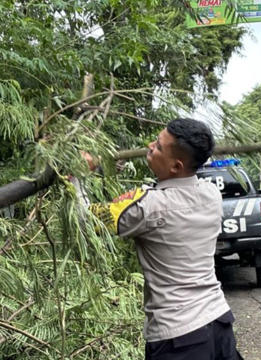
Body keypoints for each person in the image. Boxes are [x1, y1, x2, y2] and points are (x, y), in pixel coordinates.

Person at [85, 118, 243, 360]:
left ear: (176, 166)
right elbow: (157, 193)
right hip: (218, 322)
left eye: (158, 146)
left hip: (179, 338)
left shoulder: (150, 208)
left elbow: (86, 220)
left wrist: (77, 177)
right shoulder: (210, 194)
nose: (150, 146)